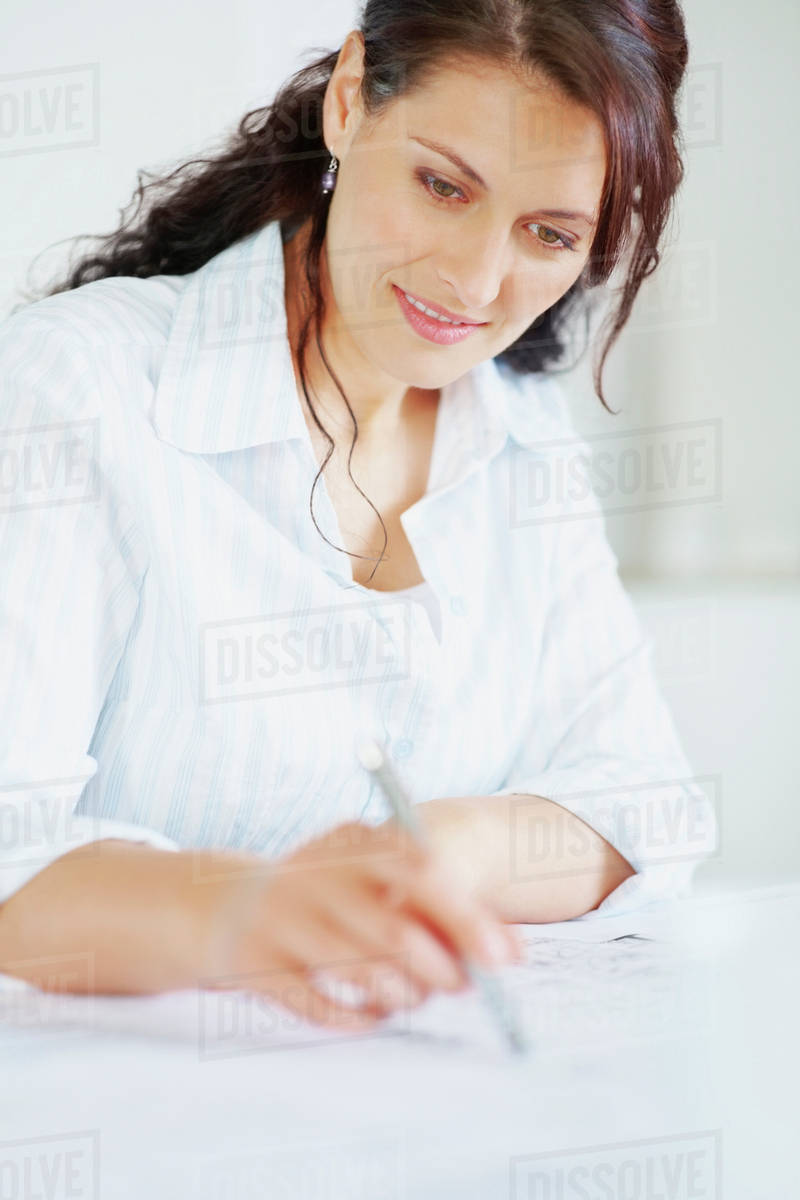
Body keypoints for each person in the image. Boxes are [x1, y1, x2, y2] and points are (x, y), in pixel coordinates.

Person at [0, 1, 716, 1030]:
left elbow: (651, 806)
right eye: (441, 184)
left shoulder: (521, 438)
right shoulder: (75, 388)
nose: (472, 282)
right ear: (348, 101)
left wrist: (435, 851)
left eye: (547, 233)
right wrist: (249, 913)